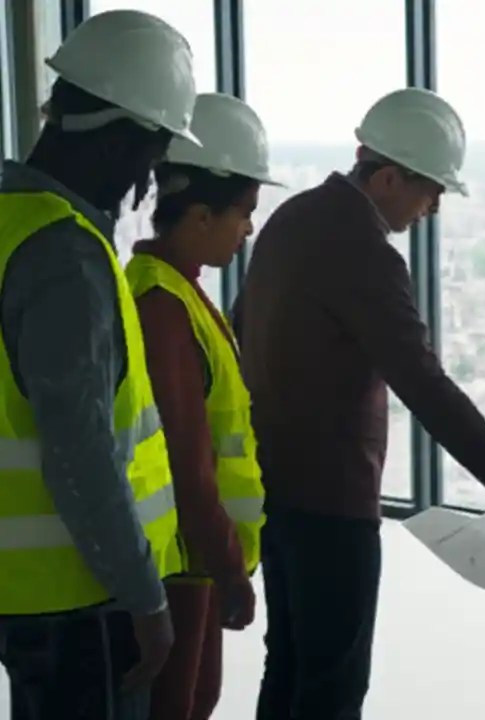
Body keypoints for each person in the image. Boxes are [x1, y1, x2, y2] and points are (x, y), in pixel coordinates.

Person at [232, 86, 485, 720]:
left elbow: (240, 332)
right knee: (333, 686)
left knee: (291, 664)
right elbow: (427, 388)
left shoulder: (290, 219)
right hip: (332, 504)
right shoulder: (366, 254)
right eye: (430, 189)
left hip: (272, 489)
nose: (434, 207)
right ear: (384, 178)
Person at [0, 9, 201, 719]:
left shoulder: (9, 222)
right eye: (151, 157)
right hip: (77, 597)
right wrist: (146, 597)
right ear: (120, 140)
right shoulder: (64, 252)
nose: (149, 181)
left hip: (24, 593)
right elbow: (78, 446)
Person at [123, 93, 278, 720]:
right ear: (202, 216)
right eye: (244, 214)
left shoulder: (175, 291)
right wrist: (228, 568)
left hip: (191, 560)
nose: (248, 230)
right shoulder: (163, 304)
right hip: (183, 564)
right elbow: (190, 460)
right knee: (179, 707)